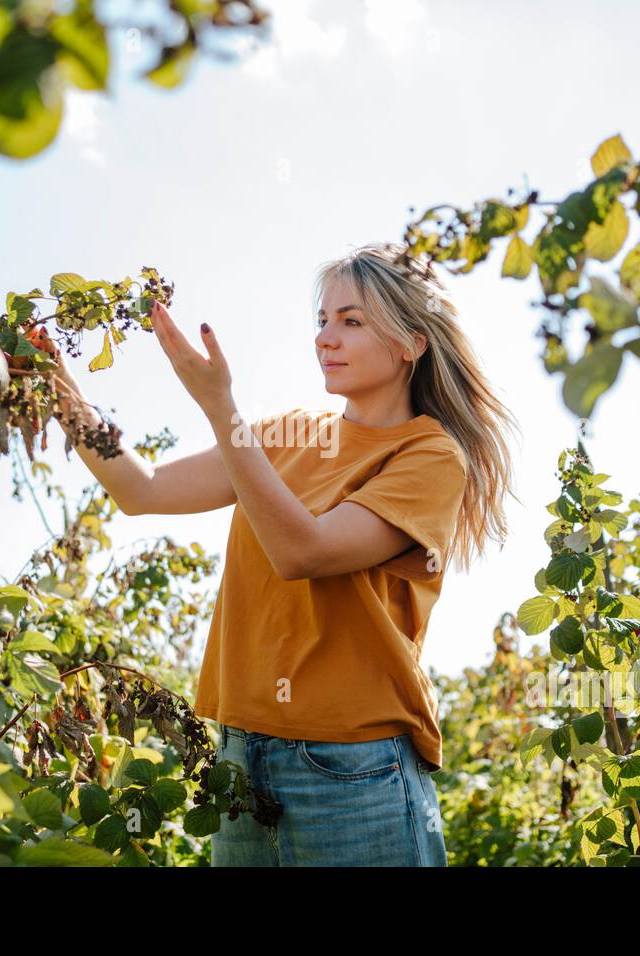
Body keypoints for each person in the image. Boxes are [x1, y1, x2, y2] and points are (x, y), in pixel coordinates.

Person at [37, 241, 518, 866]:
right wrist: (58, 389)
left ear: (412, 342)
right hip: (240, 755)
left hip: (353, 767)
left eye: (351, 321)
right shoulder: (280, 436)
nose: (326, 337)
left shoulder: (429, 455)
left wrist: (220, 408)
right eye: (322, 320)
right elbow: (140, 489)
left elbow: (305, 552)